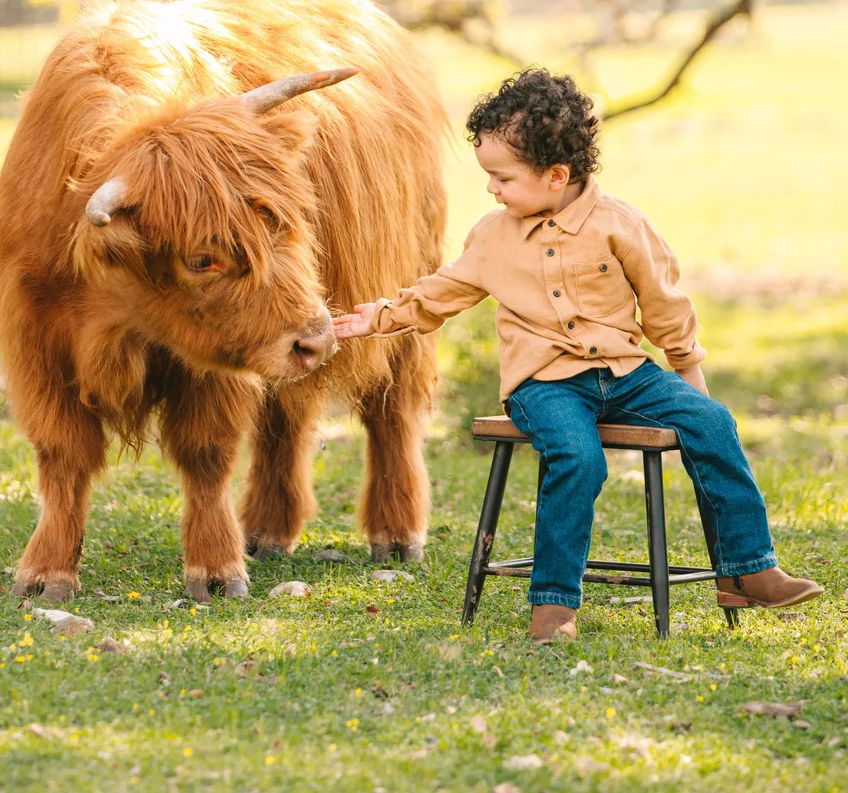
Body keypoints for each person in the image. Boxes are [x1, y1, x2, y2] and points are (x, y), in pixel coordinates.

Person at [333, 67, 823, 642]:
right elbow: (442, 293)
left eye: (502, 177)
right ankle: (554, 604)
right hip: (545, 386)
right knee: (577, 456)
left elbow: (663, 301)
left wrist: (688, 370)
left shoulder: (619, 225)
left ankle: (747, 571)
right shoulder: (493, 237)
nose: (492, 189)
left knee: (712, 423)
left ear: (556, 175)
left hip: (627, 376)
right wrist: (378, 316)